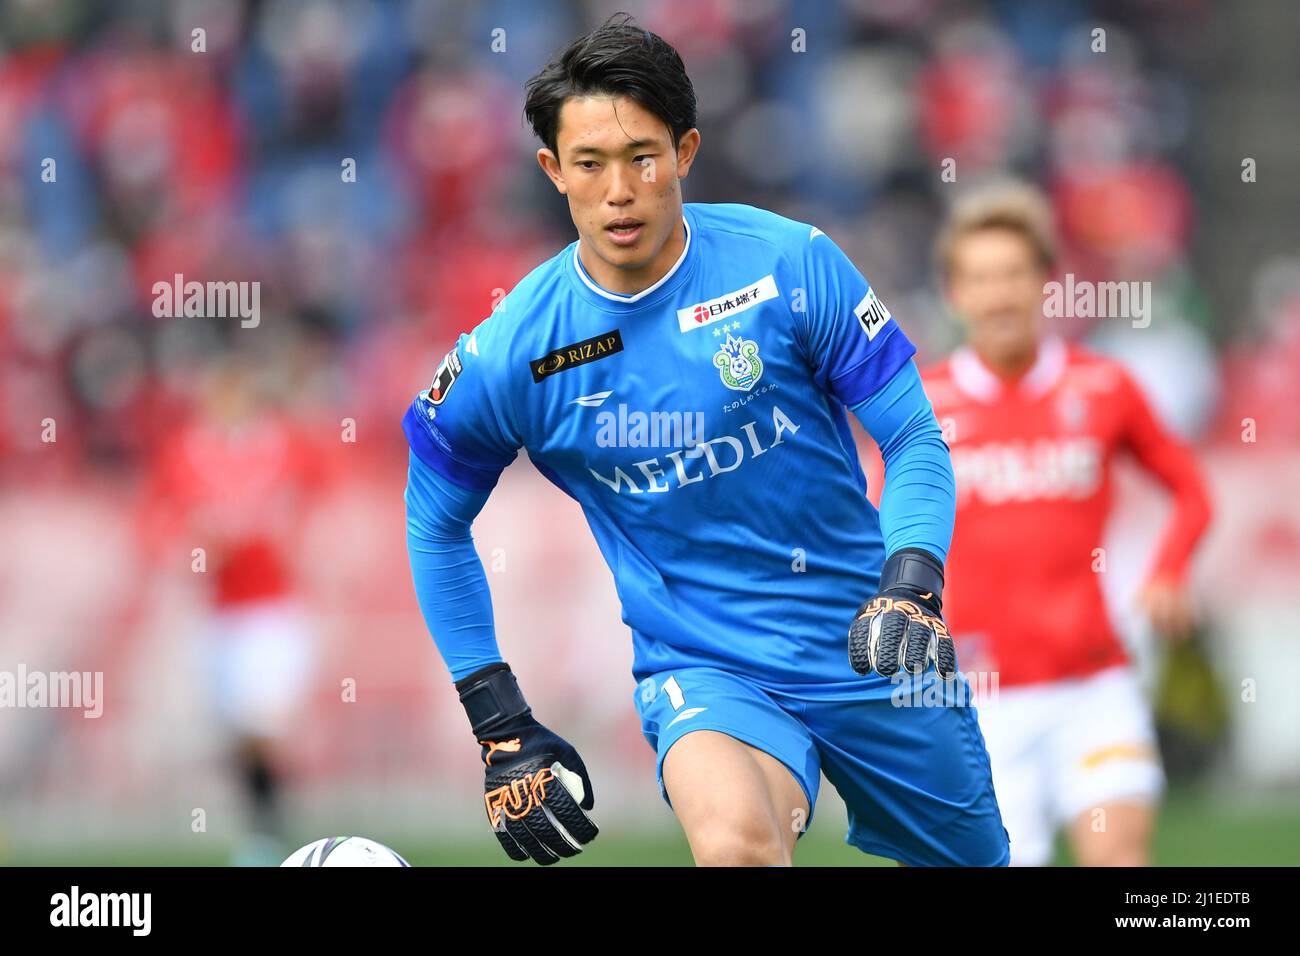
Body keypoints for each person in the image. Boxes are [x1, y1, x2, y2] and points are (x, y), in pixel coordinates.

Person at [403, 15, 1008, 866]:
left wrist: (912, 581)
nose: (619, 190)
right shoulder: (513, 355)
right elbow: (434, 521)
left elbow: (911, 437)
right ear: (553, 171)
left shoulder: (790, 264)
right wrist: (498, 722)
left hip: (874, 637)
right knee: (736, 847)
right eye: (590, 164)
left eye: (642, 157)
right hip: (706, 663)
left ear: (685, 152)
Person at [920, 183, 1213, 866]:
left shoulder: (1104, 387)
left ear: (1047, 285)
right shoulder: (923, 406)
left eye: (1015, 275)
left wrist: (1169, 572)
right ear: (954, 293)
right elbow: (879, 534)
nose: (999, 295)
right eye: (981, 278)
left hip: (1094, 685)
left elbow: (1193, 490)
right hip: (979, 702)